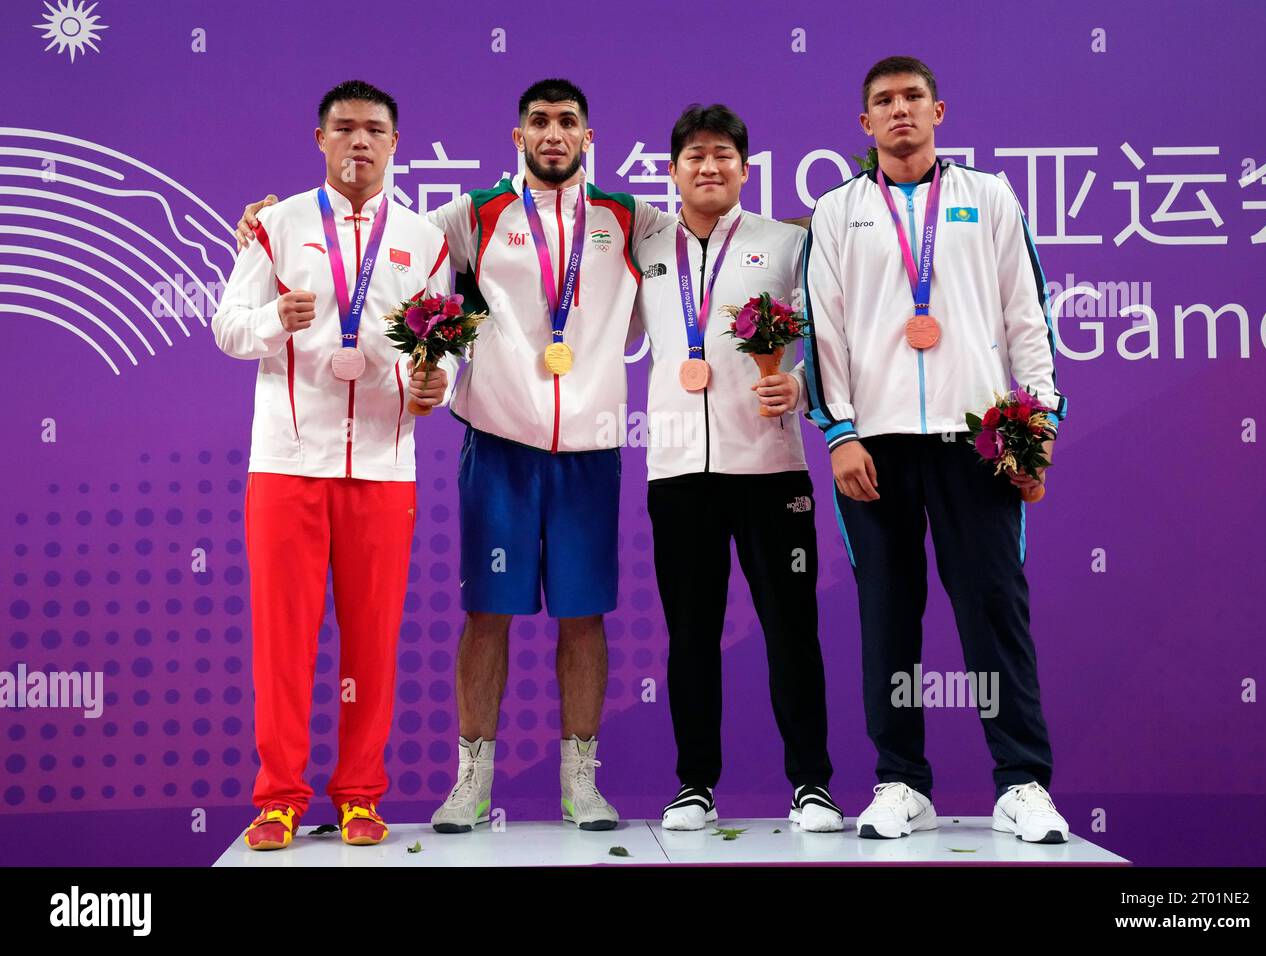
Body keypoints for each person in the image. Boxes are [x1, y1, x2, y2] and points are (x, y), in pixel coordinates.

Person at [236, 78, 679, 832]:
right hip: (498, 448)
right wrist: (264, 222)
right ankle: (472, 777)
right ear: (517, 136)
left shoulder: (630, 218)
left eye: (568, 122)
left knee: (583, 617)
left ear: (588, 137)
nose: (553, 134)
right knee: (488, 616)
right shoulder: (465, 218)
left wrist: (811, 230)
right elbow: (386, 233)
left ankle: (583, 781)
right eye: (537, 121)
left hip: (591, 455)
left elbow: (719, 233)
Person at [803, 56, 1072, 843]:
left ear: (939, 111)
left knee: (993, 613)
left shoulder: (989, 198)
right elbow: (826, 331)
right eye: (883, 102)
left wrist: (1038, 422)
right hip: (876, 446)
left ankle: (1020, 780)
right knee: (889, 617)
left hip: (979, 441)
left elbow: (1028, 315)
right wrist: (840, 430)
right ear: (864, 124)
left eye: (912, 98)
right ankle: (900, 782)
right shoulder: (837, 210)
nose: (899, 112)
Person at [214, 80, 457, 850]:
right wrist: (269, 323)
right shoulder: (274, 227)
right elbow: (226, 326)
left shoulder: (425, 241)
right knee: (283, 640)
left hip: (384, 468)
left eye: (374, 131)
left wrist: (433, 386)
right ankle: (279, 797)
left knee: (373, 640)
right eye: (345, 128)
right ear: (319, 139)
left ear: (394, 145)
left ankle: (359, 794)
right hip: (286, 463)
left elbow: (442, 349)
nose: (359, 142)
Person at [632, 104, 841, 832]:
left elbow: (833, 338)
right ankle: (695, 785)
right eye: (694, 156)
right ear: (673, 171)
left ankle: (812, 785)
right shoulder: (643, 241)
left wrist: (804, 387)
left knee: (792, 628)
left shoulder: (787, 244)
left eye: (723, 154)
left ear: (745, 169)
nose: (709, 166)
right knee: (690, 633)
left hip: (772, 469)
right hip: (678, 473)